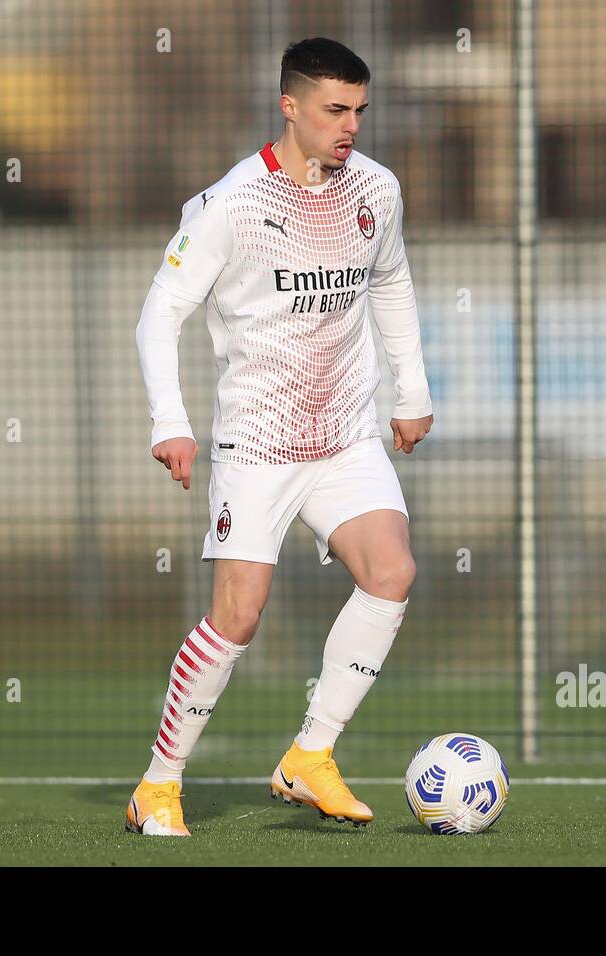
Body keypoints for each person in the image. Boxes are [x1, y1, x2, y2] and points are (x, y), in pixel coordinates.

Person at [129, 36, 433, 836]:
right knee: (238, 616)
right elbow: (160, 312)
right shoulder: (229, 206)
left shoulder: (376, 189)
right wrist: (172, 420)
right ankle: (159, 785)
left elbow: (392, 282)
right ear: (289, 105)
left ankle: (311, 755)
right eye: (335, 110)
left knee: (392, 570)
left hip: (345, 436)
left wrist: (413, 391)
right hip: (257, 444)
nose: (350, 127)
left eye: (360, 111)